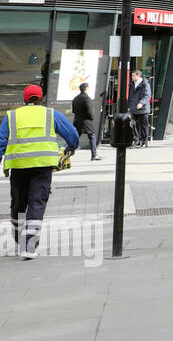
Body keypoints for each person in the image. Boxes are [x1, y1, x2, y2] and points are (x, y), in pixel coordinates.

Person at [2, 85, 79, 258]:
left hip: (19, 166)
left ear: (24, 99)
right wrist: (70, 148)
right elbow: (72, 134)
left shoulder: (12, 116)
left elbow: (1, 140)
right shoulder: (51, 114)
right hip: (43, 166)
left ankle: (19, 239)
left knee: (18, 204)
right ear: (41, 98)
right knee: (36, 203)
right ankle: (29, 246)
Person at [71, 82, 101, 161]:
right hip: (87, 121)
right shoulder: (87, 98)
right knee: (92, 137)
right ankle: (94, 155)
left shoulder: (75, 98)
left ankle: (67, 152)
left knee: (75, 137)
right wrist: (91, 118)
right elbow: (90, 111)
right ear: (86, 88)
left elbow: (73, 111)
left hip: (77, 121)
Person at [128, 69, 151, 147]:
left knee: (144, 126)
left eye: (133, 75)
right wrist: (130, 106)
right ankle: (136, 140)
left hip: (143, 109)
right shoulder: (132, 84)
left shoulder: (145, 84)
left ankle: (144, 141)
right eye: (131, 75)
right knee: (132, 124)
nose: (132, 77)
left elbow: (147, 95)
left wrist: (141, 103)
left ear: (138, 75)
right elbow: (131, 96)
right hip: (134, 108)